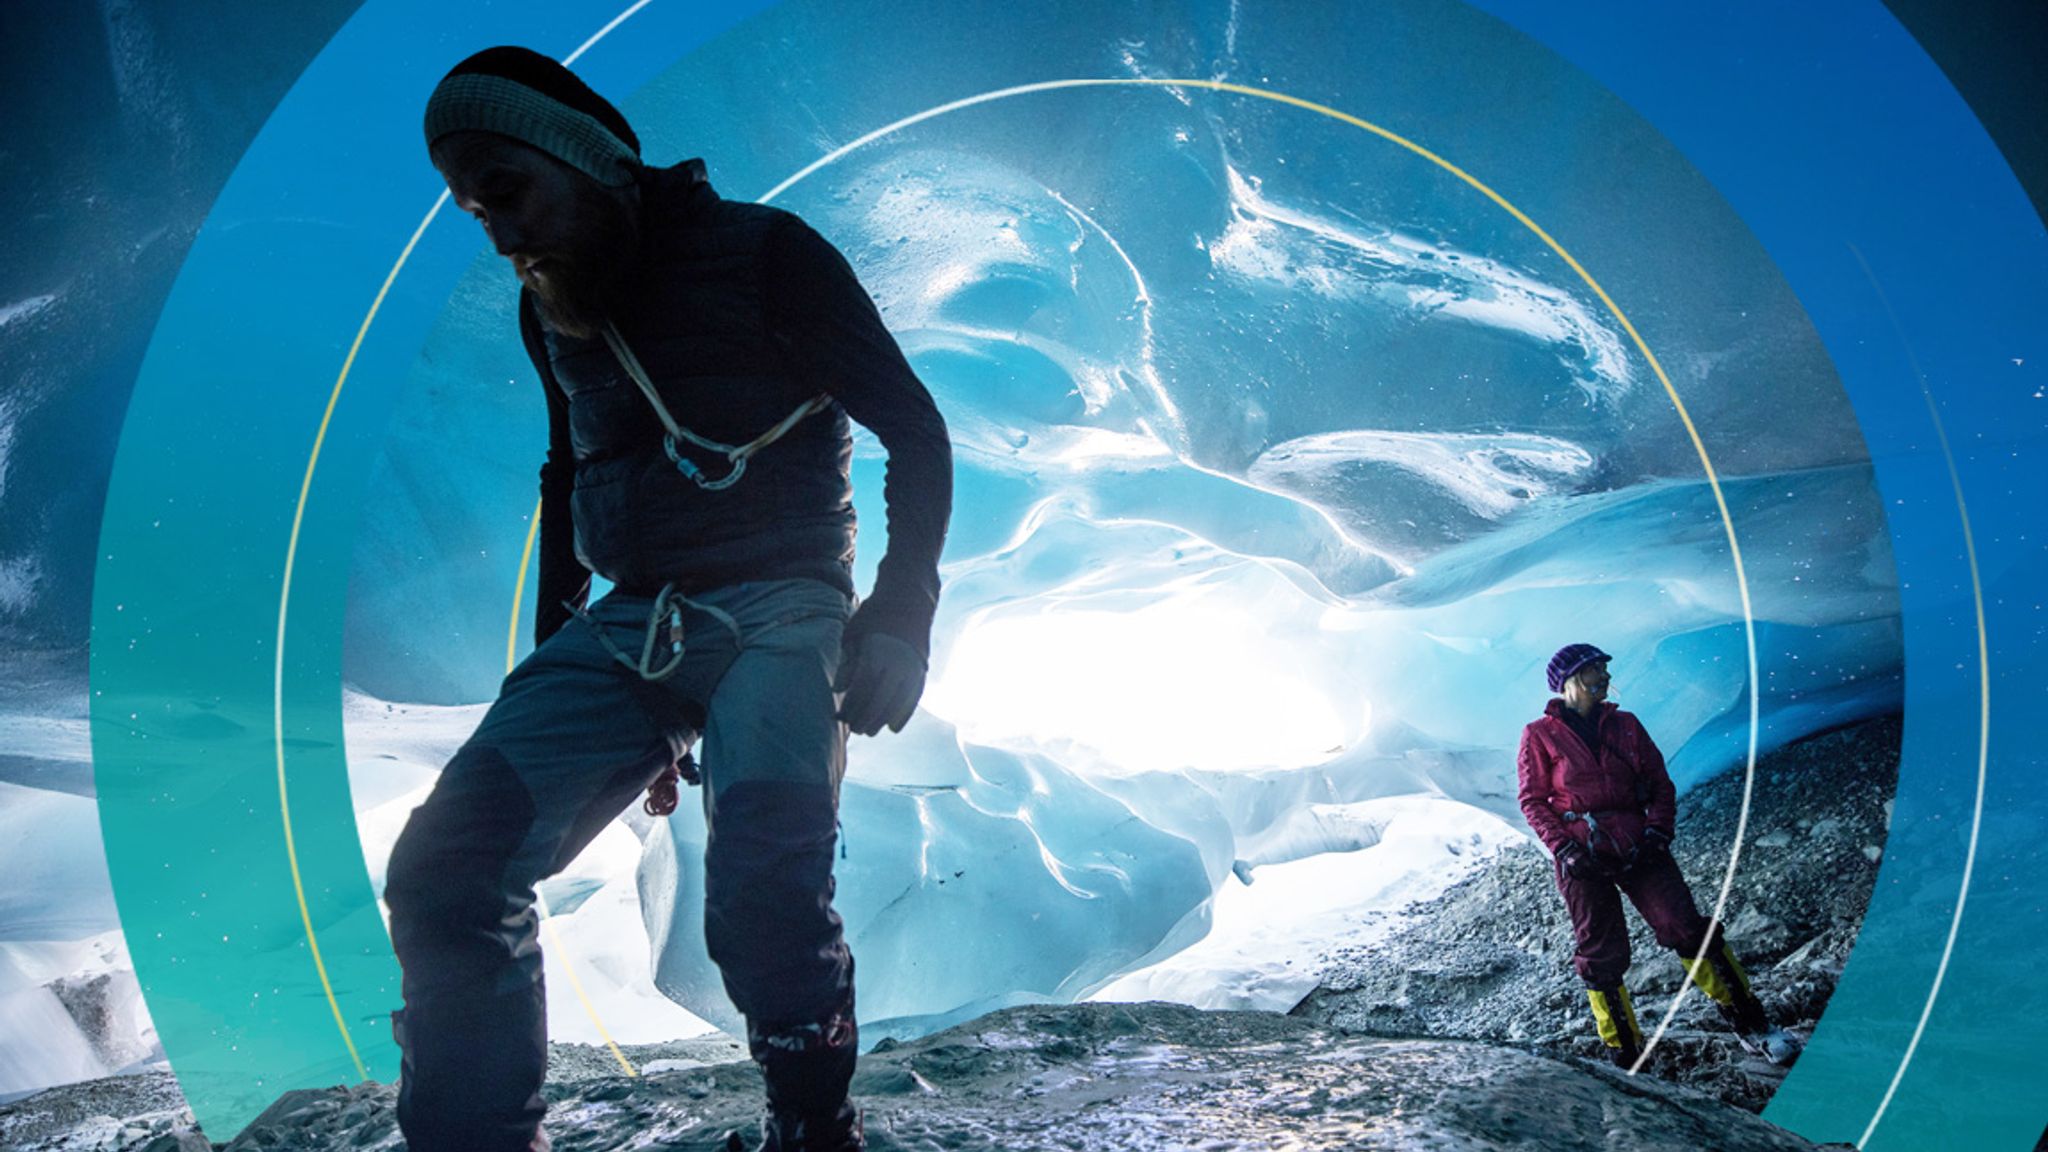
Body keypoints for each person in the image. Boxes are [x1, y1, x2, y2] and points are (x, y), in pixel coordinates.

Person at [381, 47, 952, 1152]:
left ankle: (810, 1133)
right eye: (470, 207)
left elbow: (911, 427)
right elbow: (569, 468)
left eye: (506, 190)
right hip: (630, 619)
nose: (495, 230)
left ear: (582, 159)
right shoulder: (548, 304)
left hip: (782, 608)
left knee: (764, 897)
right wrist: (566, 663)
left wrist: (900, 613)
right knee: (447, 871)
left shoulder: (769, 257)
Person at [1517, 643, 1798, 1071]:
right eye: (1595, 670)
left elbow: (1659, 783)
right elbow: (1533, 800)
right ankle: (1627, 1056)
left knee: (1687, 928)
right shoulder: (1540, 734)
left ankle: (1754, 1027)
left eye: (1605, 670)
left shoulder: (1626, 724)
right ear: (1571, 680)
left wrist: (1657, 832)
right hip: (1582, 855)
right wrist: (1565, 848)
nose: (1605, 678)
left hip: (1637, 843)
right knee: (1601, 956)